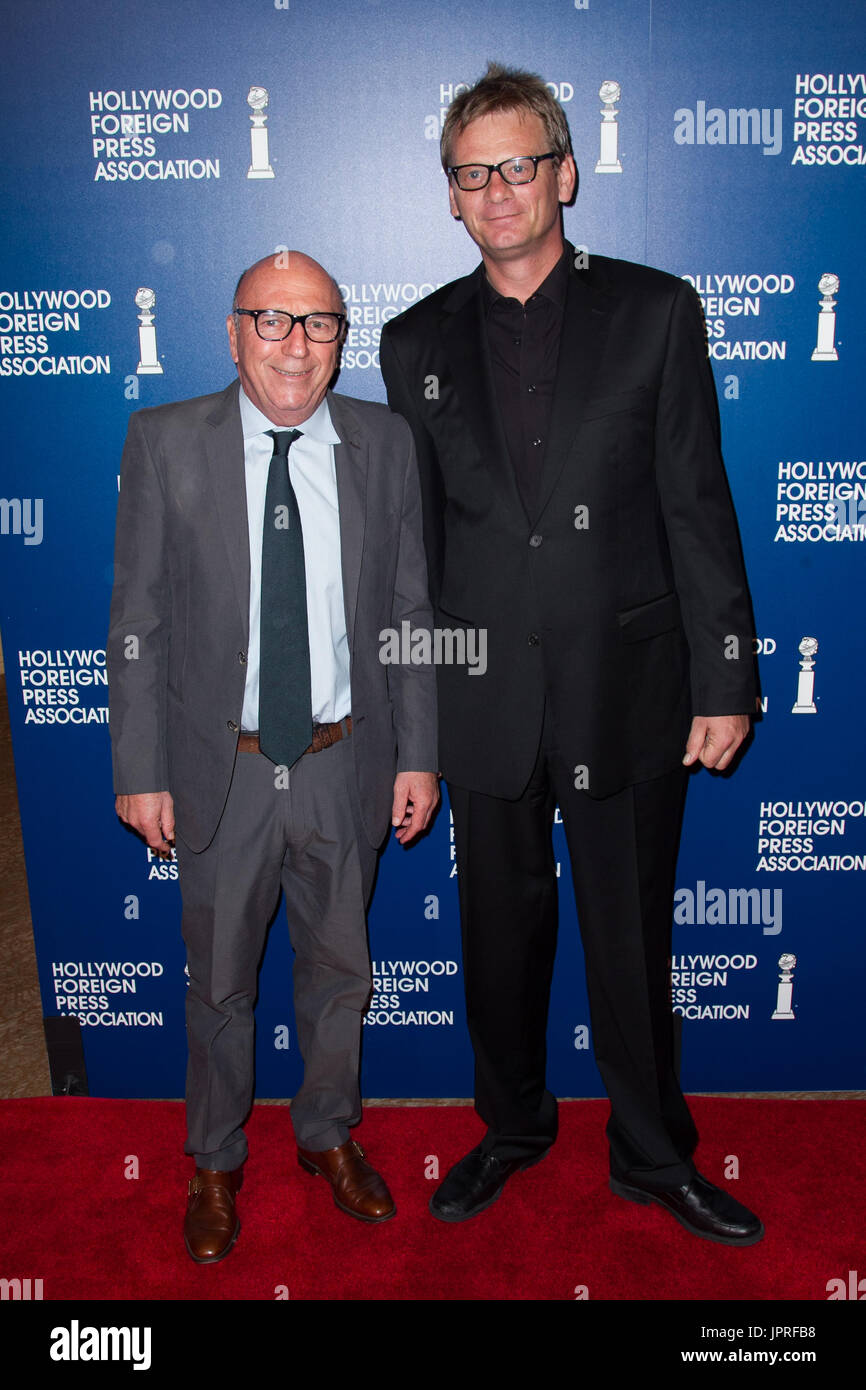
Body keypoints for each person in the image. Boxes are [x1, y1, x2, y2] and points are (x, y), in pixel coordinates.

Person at [379, 64, 763, 1243]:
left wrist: (726, 675)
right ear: (450, 195)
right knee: (497, 936)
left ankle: (651, 1153)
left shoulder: (653, 310)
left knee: (630, 935)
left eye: (517, 164)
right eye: (471, 172)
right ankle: (510, 1126)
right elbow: (414, 550)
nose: (497, 190)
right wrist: (415, 723)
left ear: (564, 172)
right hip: (482, 693)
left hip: (628, 680)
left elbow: (696, 502)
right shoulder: (411, 340)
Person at [108, 250, 438, 1263]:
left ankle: (327, 1134)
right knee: (218, 983)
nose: (296, 346)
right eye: (272, 321)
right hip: (225, 769)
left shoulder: (384, 444)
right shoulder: (165, 442)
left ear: (344, 338)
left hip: (345, 760)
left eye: (320, 325)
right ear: (231, 330)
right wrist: (138, 767)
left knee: (341, 971)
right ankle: (214, 1159)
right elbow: (139, 620)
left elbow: (408, 611)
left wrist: (418, 753)